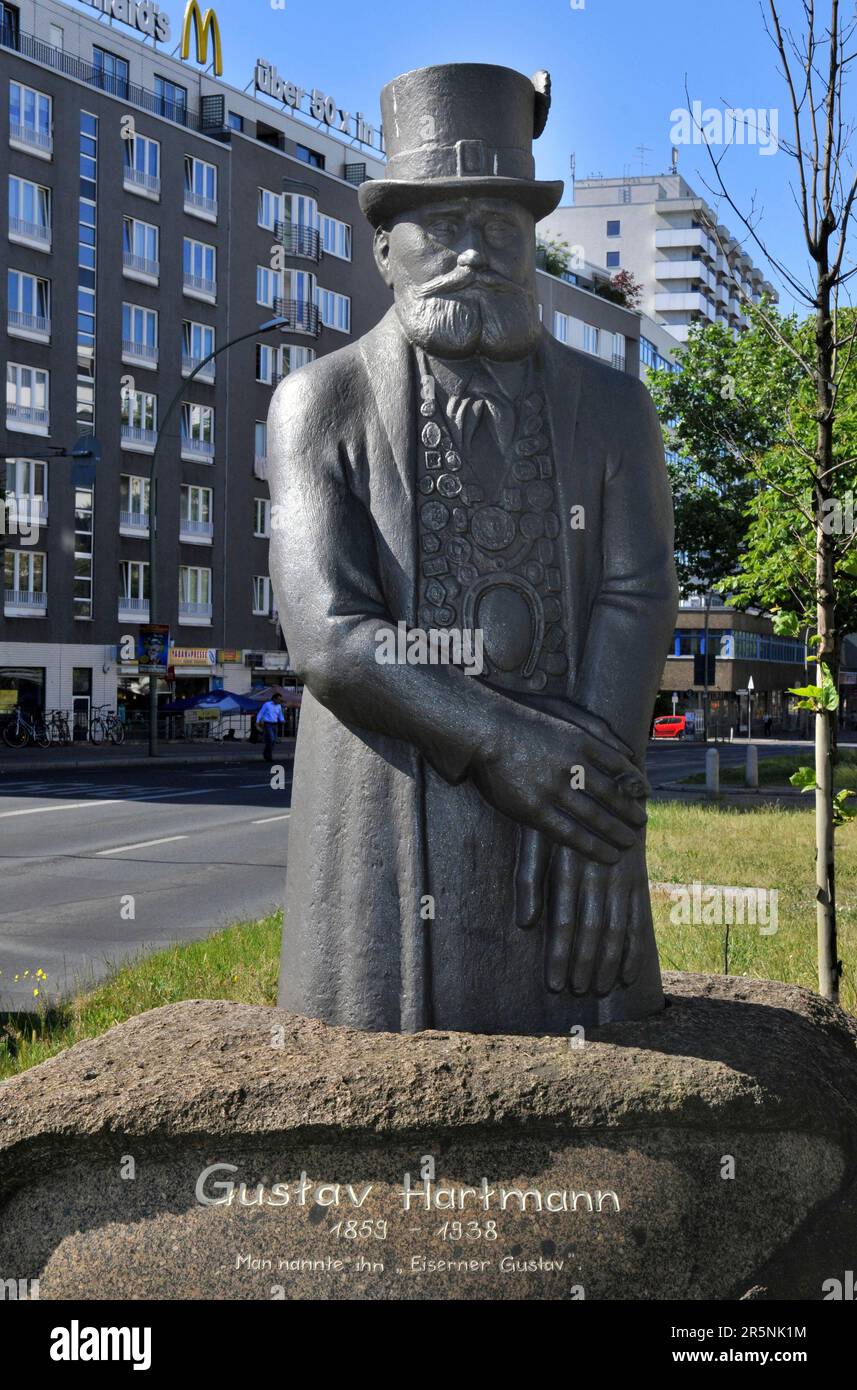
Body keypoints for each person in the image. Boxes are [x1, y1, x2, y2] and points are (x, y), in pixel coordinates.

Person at [268, 63, 678, 1034]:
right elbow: (328, 632)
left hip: (568, 836)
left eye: (498, 224)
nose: (471, 250)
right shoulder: (318, 405)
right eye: (439, 224)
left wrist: (589, 781)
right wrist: (504, 742)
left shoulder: (616, 409)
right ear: (381, 246)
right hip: (387, 842)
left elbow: (637, 591)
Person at [256, 692, 285, 763]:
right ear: (274, 699)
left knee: (273, 741)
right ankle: (268, 756)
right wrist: (257, 722)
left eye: (281, 700)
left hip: (275, 724)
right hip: (268, 724)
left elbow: (280, 714)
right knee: (271, 739)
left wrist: (282, 719)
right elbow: (260, 713)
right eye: (279, 699)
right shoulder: (267, 704)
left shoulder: (279, 706)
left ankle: (267, 754)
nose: (280, 701)